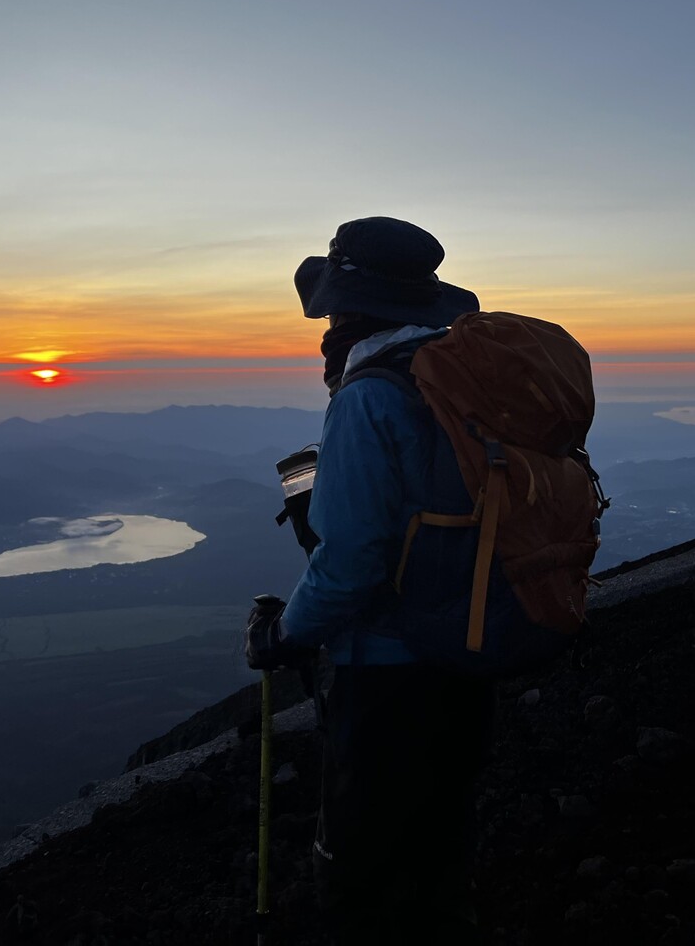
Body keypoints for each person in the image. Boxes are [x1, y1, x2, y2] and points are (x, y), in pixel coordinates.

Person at [245, 216, 496, 946]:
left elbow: (351, 561)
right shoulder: (459, 381)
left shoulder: (370, 397)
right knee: (440, 859)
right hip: (467, 655)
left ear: (347, 310)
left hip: (388, 680)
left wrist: (283, 634)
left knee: (364, 878)